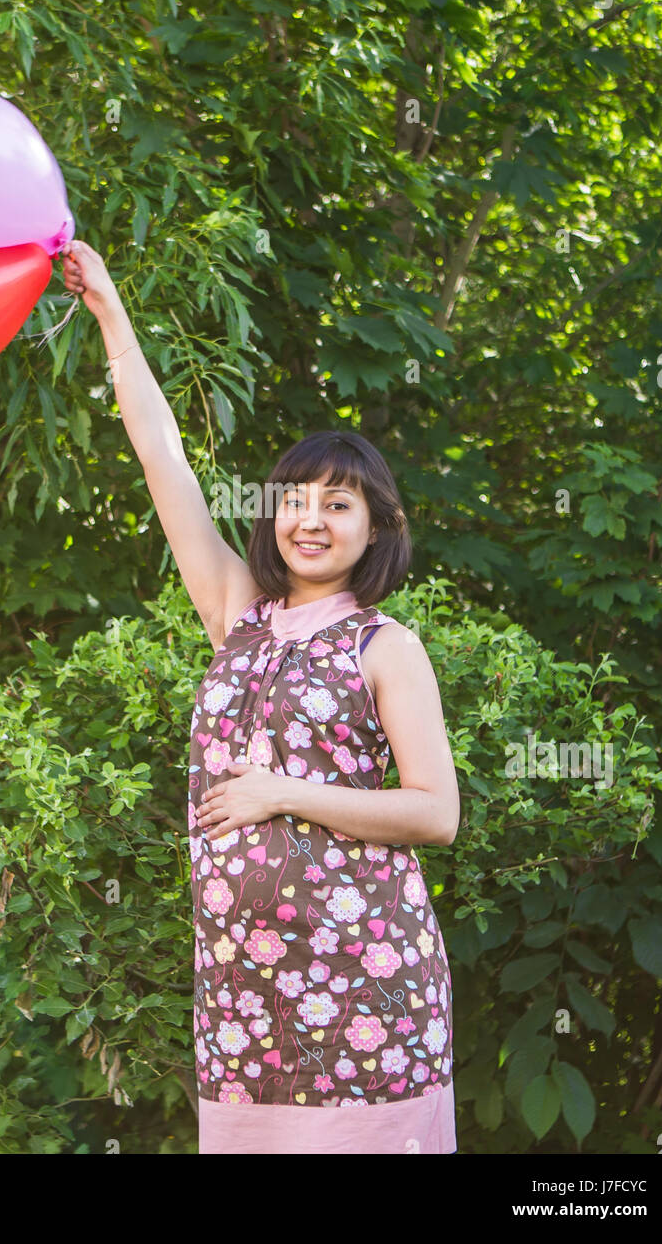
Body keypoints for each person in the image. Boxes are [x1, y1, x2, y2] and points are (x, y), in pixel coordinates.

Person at [61, 239, 461, 1155]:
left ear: (377, 528)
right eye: (295, 499)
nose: (310, 520)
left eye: (339, 504)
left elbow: (438, 813)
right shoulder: (239, 611)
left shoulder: (385, 646)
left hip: (366, 983)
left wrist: (282, 794)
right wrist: (111, 311)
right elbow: (162, 459)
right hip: (243, 992)